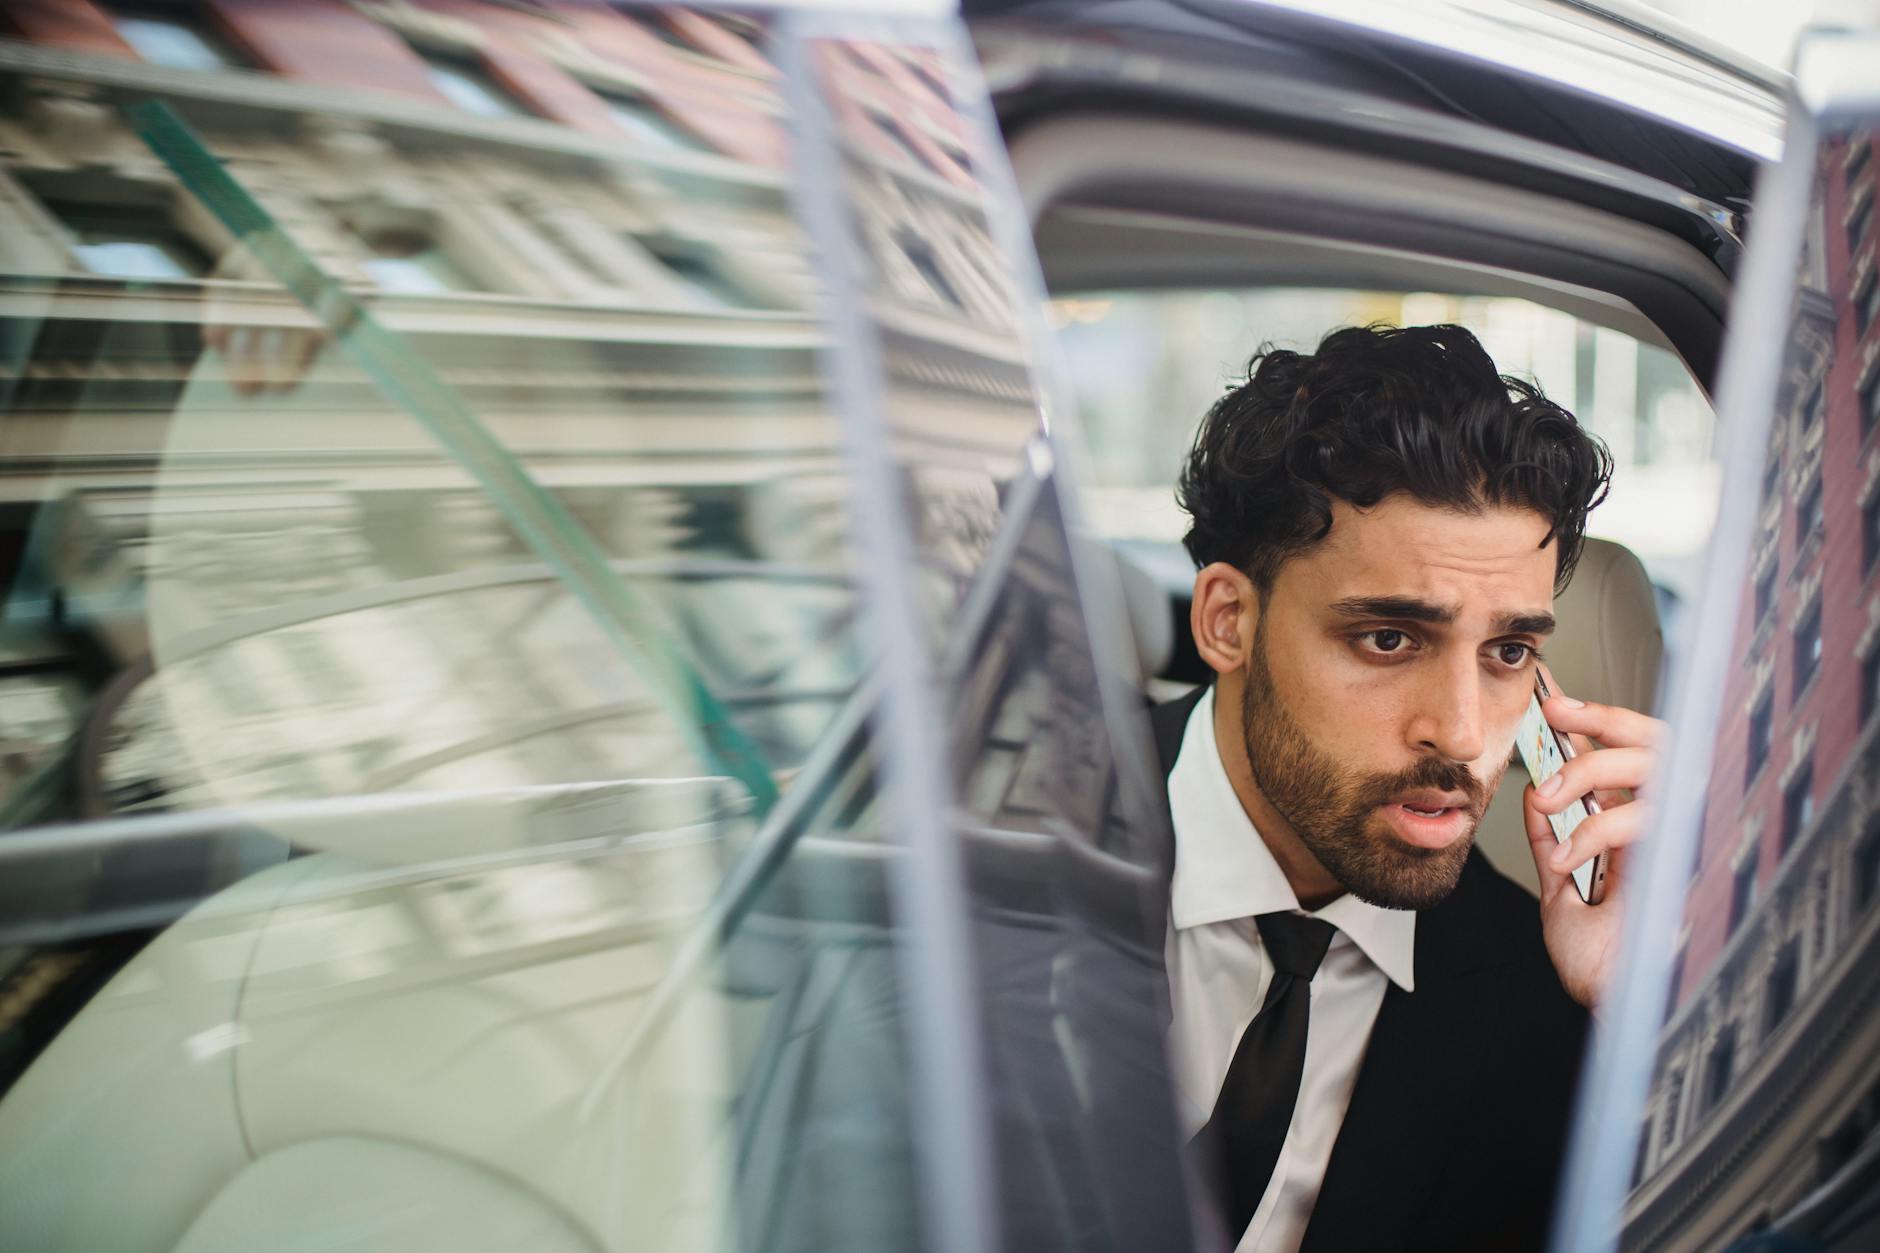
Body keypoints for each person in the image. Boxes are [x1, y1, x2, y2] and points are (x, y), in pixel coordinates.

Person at [1154, 323, 1662, 1252]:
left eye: (1510, 652)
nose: (1467, 735)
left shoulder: (1549, 1005)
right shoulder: (1002, 825)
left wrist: (1646, 1016)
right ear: (1227, 620)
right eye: (1389, 639)